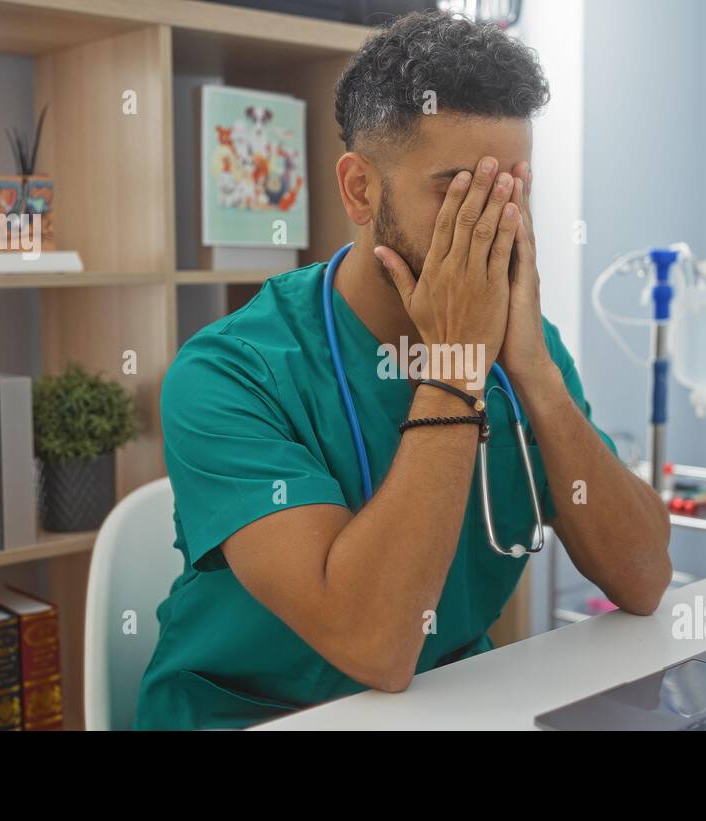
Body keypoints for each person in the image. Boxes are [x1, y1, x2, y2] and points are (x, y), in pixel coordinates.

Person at [135, 10, 671, 730]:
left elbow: (643, 579)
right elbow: (377, 647)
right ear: (360, 190)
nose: (493, 221)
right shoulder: (229, 373)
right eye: (458, 189)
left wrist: (536, 374)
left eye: (513, 188)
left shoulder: (525, 350)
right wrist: (454, 367)